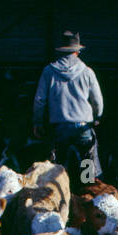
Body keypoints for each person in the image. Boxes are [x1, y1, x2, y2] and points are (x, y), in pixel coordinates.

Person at [32, 31, 103, 183]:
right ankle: (86, 191)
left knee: (59, 171)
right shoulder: (87, 72)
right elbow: (97, 100)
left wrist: (37, 122)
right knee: (87, 169)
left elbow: (39, 100)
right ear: (77, 51)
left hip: (59, 129)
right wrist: (97, 117)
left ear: (60, 50)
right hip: (83, 128)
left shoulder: (49, 72)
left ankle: (61, 195)